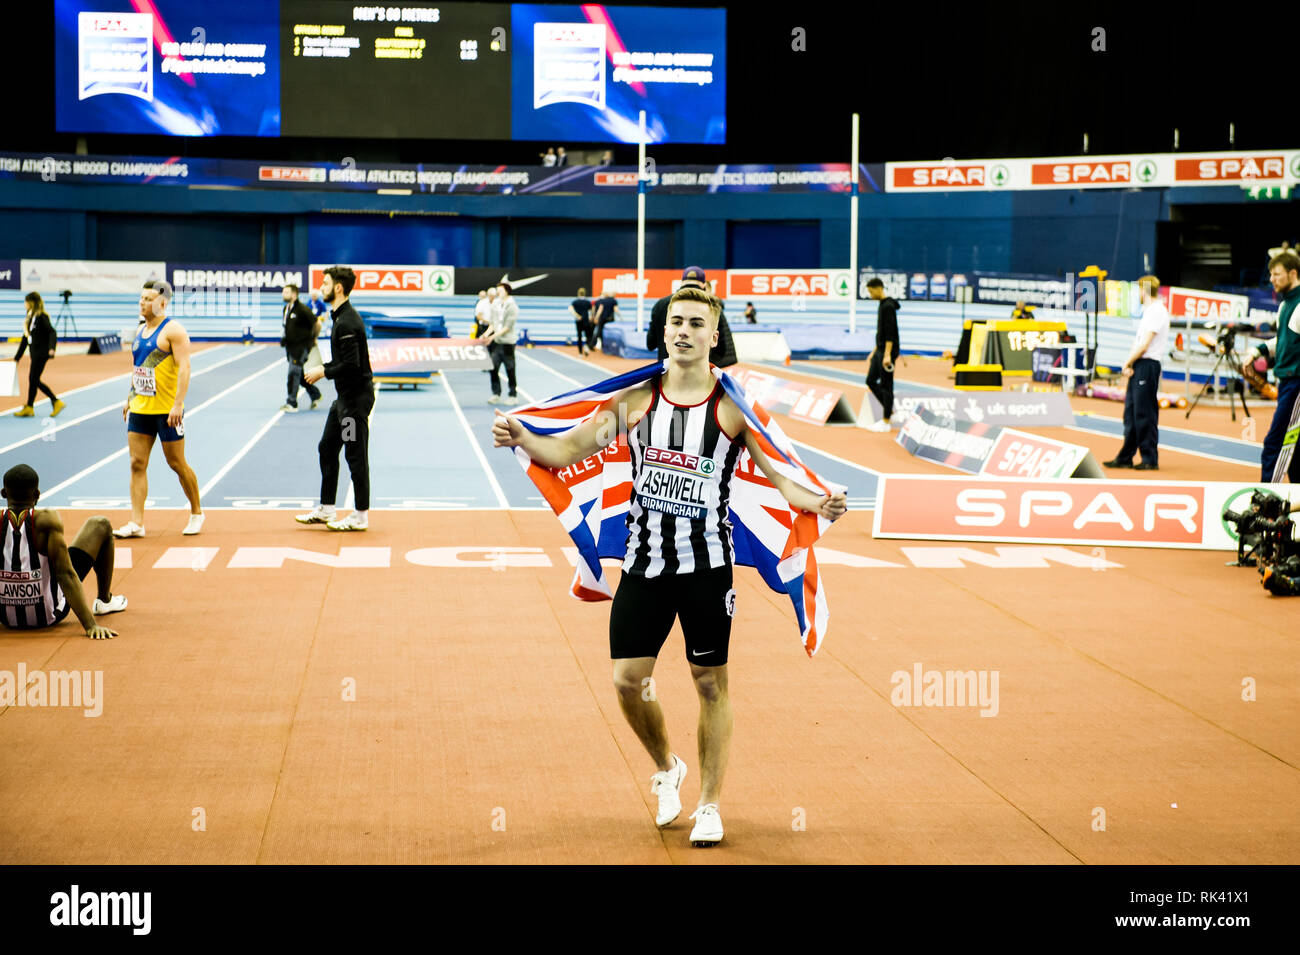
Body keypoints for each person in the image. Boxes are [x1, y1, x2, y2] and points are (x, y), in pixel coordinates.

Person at [491, 286, 847, 846]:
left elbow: (781, 480)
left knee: (710, 684)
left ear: (713, 335)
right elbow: (566, 451)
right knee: (629, 682)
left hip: (708, 570)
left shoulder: (731, 411)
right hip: (644, 566)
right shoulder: (635, 404)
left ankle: (708, 804)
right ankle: (667, 767)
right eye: (675, 321)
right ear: (664, 333)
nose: (683, 331)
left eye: (695, 323)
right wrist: (524, 437)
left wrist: (818, 502)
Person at [114, 280, 204, 539]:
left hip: (167, 411)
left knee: (176, 463)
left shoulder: (173, 330)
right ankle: (137, 523)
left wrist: (178, 404)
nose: (142, 303)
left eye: (148, 299)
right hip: (141, 408)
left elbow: (185, 368)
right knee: (136, 463)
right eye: (141, 298)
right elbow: (139, 368)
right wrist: (129, 397)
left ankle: (197, 513)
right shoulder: (140, 330)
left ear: (162, 302)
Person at [1, 464, 127, 637]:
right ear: (37, 495)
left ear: (3, 493)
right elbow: (65, 574)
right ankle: (104, 600)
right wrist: (91, 625)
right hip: (49, 615)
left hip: (6, 619)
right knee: (100, 524)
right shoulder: (46, 520)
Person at [297, 266, 374, 531]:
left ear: (338, 287)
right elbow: (344, 361)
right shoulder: (339, 318)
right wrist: (329, 368)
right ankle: (327, 509)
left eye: (326, 282)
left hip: (354, 402)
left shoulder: (348, 321)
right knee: (327, 448)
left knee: (355, 455)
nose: (322, 287)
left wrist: (323, 370)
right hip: (343, 400)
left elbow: (352, 366)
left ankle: (360, 515)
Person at [1104, 275, 1169, 471]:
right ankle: (1125, 456)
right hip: (1139, 364)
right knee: (1131, 412)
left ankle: (1149, 459)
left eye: (1138, 290)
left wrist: (1127, 361)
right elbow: (1139, 342)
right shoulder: (1149, 312)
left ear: (1144, 290)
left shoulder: (1157, 311)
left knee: (1144, 413)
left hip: (1148, 365)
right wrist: (1130, 363)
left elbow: (1145, 344)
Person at [1259, 251, 1300, 482]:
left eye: (1277, 274)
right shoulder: (1286, 304)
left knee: (1275, 444)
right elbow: (1283, 338)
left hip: (1296, 385)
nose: (1272, 279)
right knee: (1296, 451)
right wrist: (1259, 350)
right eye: (1270, 275)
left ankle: (1267, 502)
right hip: (1287, 382)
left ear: (1292, 274)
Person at [647, 267, 737, 367]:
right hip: (699, 374)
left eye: (696, 324)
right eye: (677, 322)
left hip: (664, 370)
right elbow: (722, 349)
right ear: (703, 285)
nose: (683, 332)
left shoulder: (660, 305)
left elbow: (650, 343)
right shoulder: (711, 306)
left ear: (682, 283)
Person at [12, 292, 65, 418]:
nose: (24, 305)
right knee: (33, 379)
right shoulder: (30, 316)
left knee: (33, 379)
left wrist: (52, 348)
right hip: (34, 354)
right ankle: (30, 407)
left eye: (26, 302)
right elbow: (26, 339)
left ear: (31, 302)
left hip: (42, 354)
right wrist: (17, 358)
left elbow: (52, 332)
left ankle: (55, 401)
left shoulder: (41, 317)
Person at [864, 278, 900, 432]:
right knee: (870, 380)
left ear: (879, 289)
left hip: (887, 351)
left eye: (871, 292)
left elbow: (890, 333)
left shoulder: (889, 306)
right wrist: (874, 351)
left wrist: (887, 355)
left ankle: (886, 421)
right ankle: (889, 410)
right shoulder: (882, 305)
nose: (871, 295)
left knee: (886, 385)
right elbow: (882, 331)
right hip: (880, 349)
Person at [280, 284, 323, 413]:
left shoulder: (302, 309)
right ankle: (315, 394)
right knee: (299, 375)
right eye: (283, 292)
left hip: (301, 347)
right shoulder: (286, 309)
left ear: (294, 294)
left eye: (286, 292)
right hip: (290, 347)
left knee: (293, 373)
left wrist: (313, 338)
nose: (283, 294)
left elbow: (317, 323)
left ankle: (292, 402)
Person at [481, 282, 519, 405]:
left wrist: (492, 337)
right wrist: (486, 334)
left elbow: (507, 328)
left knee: (510, 369)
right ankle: (496, 394)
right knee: (493, 367)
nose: (497, 293)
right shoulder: (495, 305)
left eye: (500, 290)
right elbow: (493, 323)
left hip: (508, 343)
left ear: (507, 291)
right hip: (497, 343)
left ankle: (513, 395)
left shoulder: (512, 307)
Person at [570, 286, 593, 356]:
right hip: (586, 321)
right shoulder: (587, 302)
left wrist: (577, 316)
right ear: (584, 293)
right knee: (588, 336)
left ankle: (580, 353)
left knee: (579, 336)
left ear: (578, 293)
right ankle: (586, 345)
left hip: (579, 321)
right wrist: (590, 318)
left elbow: (570, 309)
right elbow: (591, 312)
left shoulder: (575, 302)